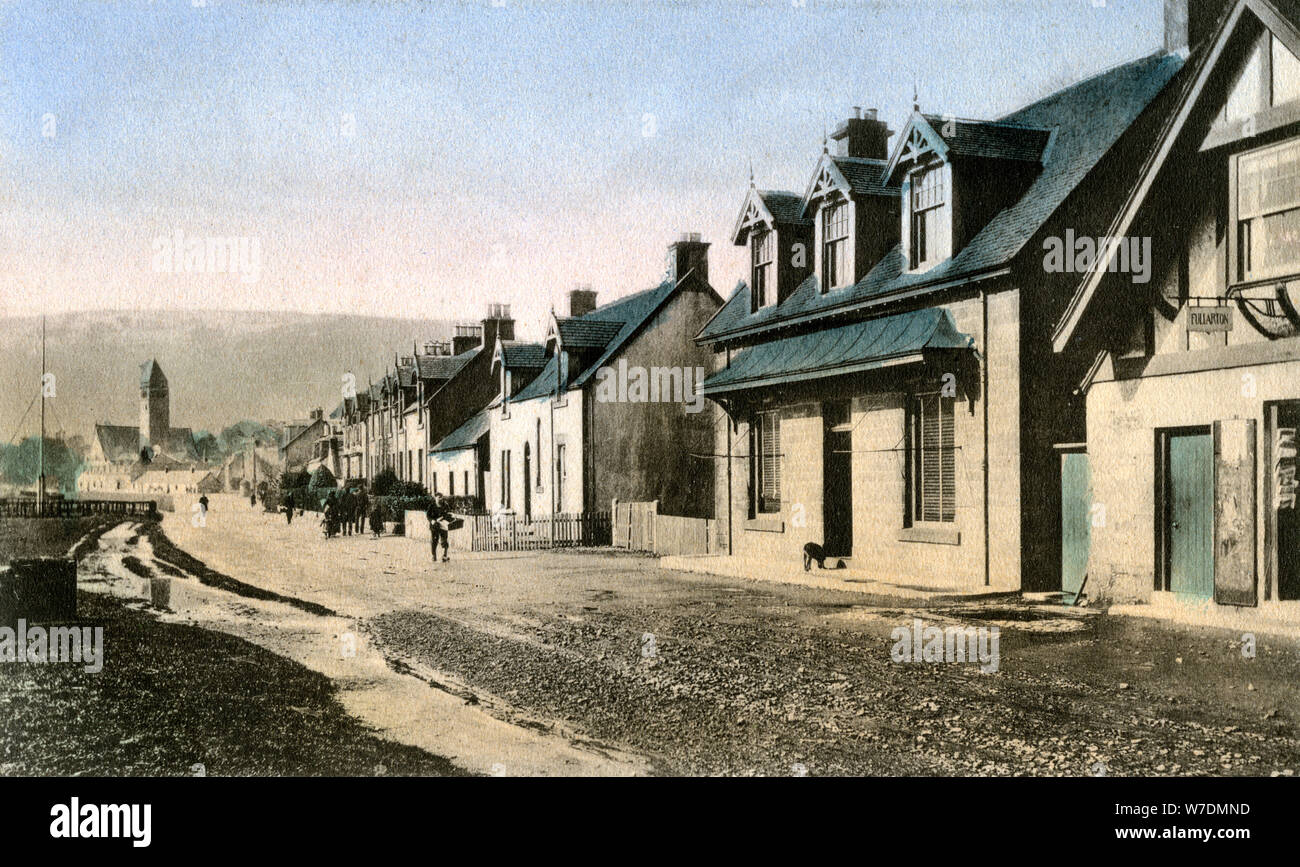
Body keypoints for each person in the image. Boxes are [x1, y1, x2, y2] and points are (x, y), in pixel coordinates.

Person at [426, 493, 451, 564]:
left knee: (444, 540)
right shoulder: (431, 506)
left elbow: (448, 514)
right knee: (434, 541)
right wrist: (432, 520)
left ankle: (444, 555)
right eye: (439, 497)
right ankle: (433, 555)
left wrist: (442, 518)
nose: (440, 499)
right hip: (434, 526)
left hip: (443, 525)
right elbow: (428, 515)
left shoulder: (445, 505)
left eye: (441, 497)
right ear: (435, 498)